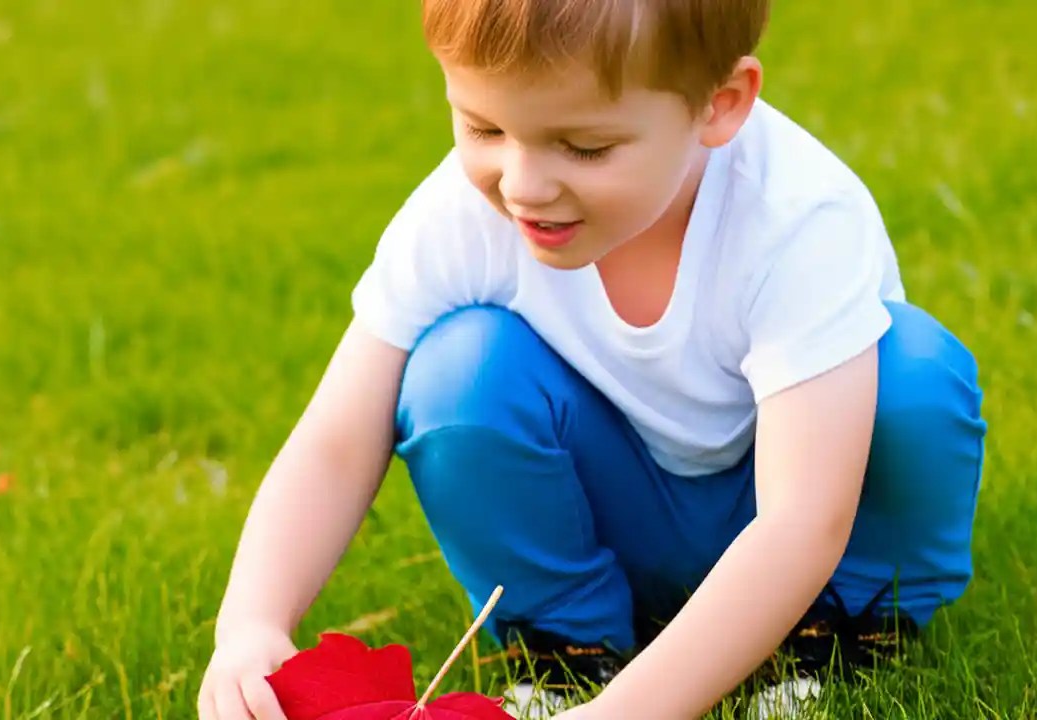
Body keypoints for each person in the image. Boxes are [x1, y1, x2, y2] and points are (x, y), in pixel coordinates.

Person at [197, 1, 987, 718]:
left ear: (720, 105)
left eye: (584, 146)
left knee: (909, 375)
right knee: (455, 373)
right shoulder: (463, 217)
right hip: (618, 503)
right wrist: (252, 623)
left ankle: (842, 632)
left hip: (801, 519)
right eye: (484, 129)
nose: (524, 185)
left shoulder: (795, 219)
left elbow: (804, 519)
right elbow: (338, 441)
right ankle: (567, 643)